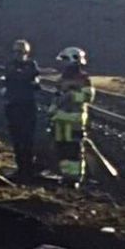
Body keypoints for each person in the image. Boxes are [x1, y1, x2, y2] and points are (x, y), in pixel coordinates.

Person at [48, 47, 95, 188]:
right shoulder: (62, 79)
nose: (62, 64)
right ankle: (65, 176)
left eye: (64, 61)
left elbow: (88, 96)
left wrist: (72, 96)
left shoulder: (83, 79)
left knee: (73, 150)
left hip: (74, 121)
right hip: (61, 121)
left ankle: (74, 178)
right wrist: (52, 112)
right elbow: (56, 97)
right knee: (62, 148)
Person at [5, 39, 41, 178]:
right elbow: (17, 77)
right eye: (16, 52)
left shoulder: (32, 64)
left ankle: (28, 166)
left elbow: (36, 82)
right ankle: (22, 166)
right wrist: (27, 78)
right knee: (17, 138)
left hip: (27, 105)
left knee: (28, 138)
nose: (19, 55)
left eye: (21, 52)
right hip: (14, 105)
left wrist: (26, 78)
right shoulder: (11, 65)